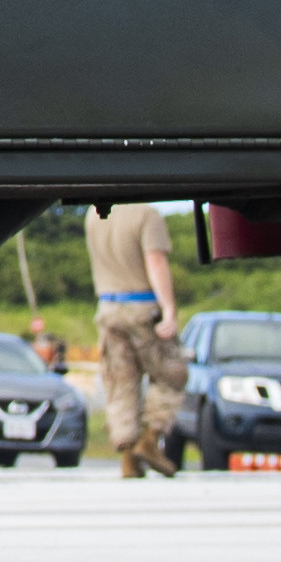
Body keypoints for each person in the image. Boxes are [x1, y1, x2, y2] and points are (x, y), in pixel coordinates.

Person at [89, 200, 187, 480]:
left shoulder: (93, 214)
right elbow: (155, 260)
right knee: (172, 374)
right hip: (141, 306)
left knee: (121, 382)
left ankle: (128, 455)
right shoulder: (147, 215)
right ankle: (150, 439)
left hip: (107, 308)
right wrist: (168, 308)